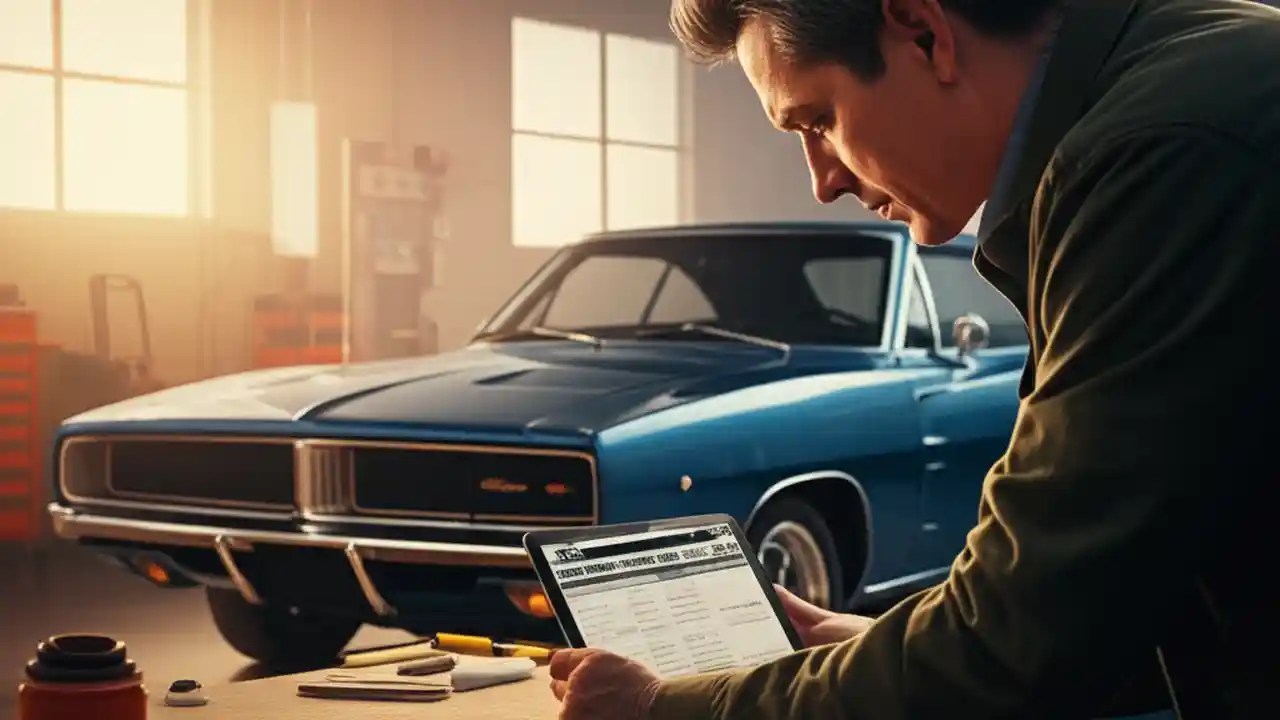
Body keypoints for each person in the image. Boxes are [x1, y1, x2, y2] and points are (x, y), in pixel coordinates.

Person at [546, 0, 1280, 718]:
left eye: (819, 121)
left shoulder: (1159, 156)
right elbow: (1121, 601)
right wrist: (884, 651)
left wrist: (662, 707)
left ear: (925, 33)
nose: (822, 179)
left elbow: (1013, 652)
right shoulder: (1192, 72)